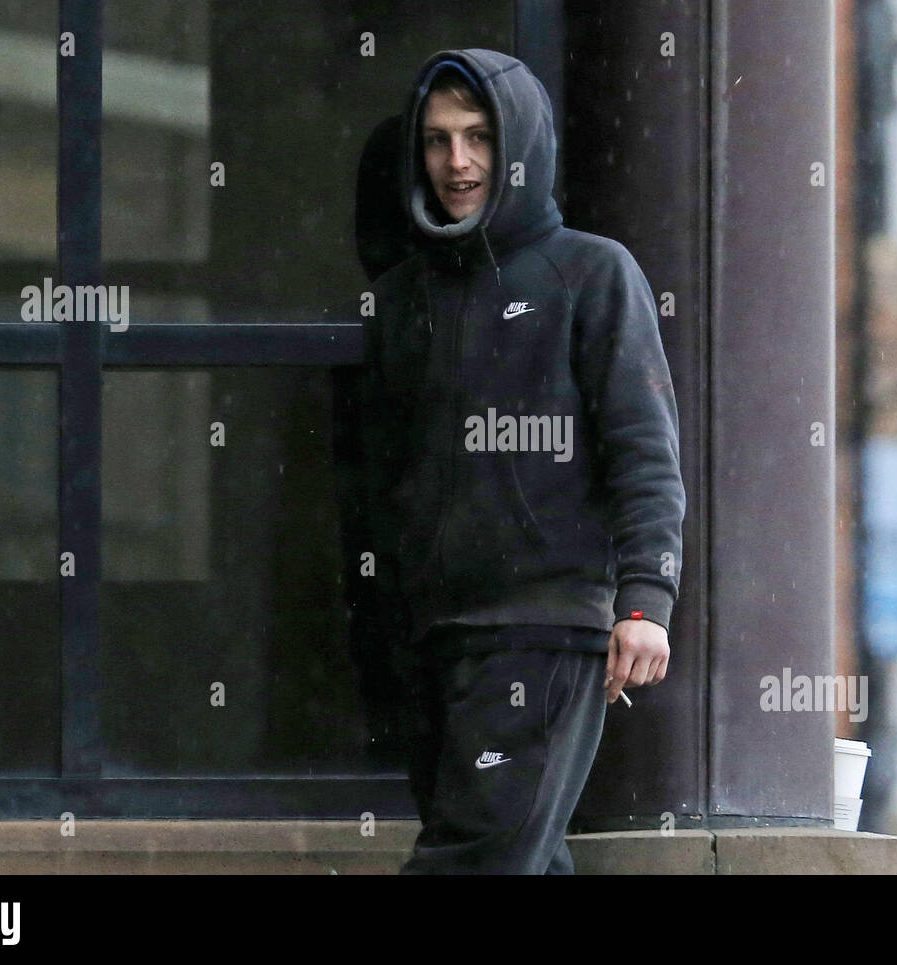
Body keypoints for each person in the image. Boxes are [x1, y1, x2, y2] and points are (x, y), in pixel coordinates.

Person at [360, 48, 685, 874]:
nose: (458, 162)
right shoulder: (402, 300)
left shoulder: (593, 273)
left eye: (479, 138)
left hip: (543, 630)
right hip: (435, 640)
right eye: (437, 141)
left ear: (522, 147)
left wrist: (645, 598)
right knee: (521, 859)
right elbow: (380, 479)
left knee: (471, 858)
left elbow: (644, 447)